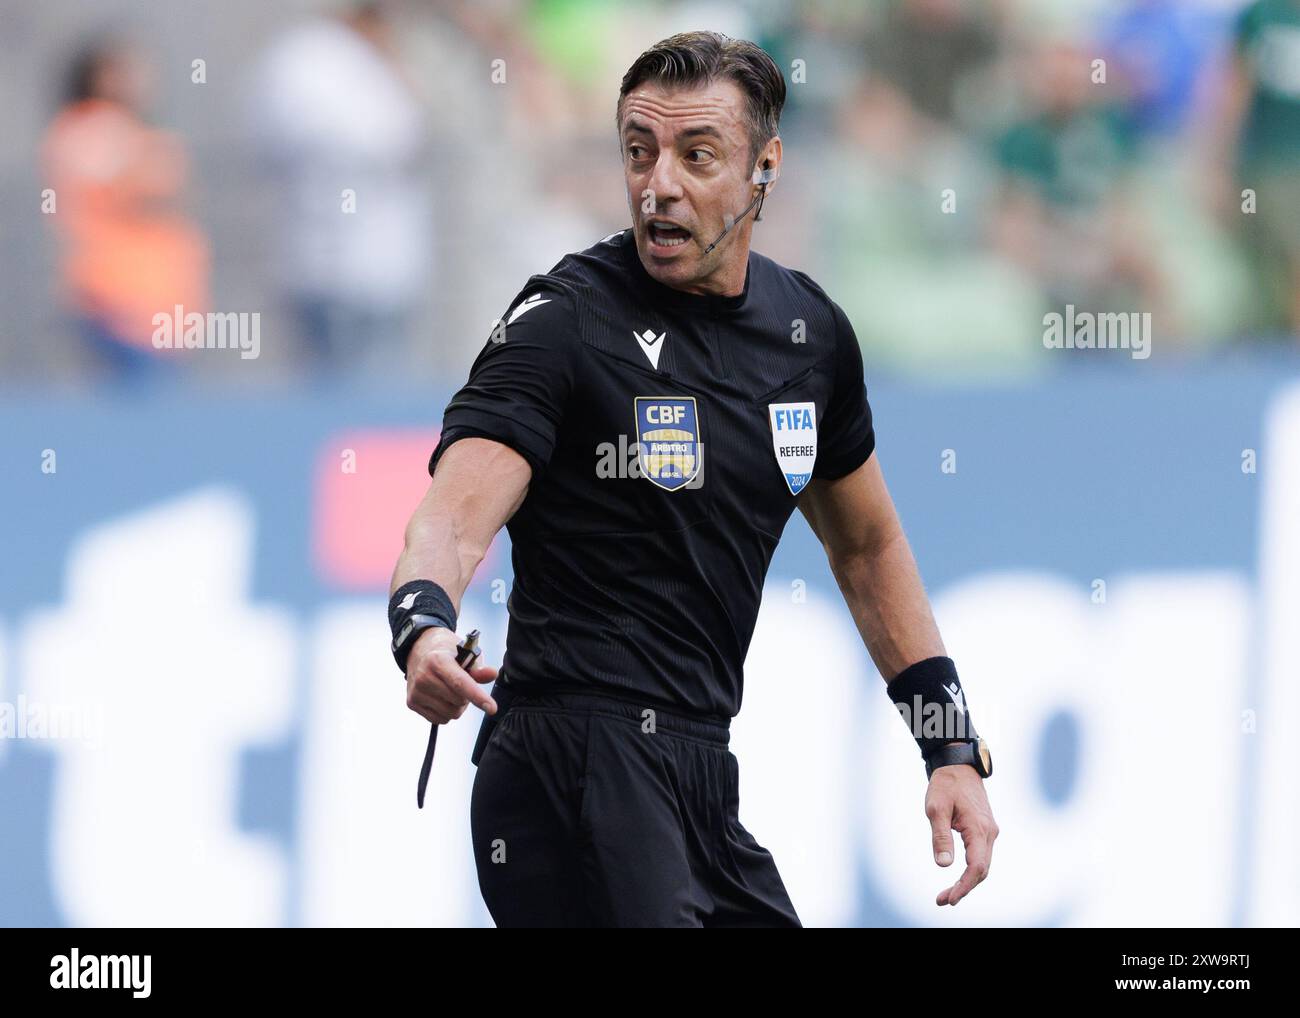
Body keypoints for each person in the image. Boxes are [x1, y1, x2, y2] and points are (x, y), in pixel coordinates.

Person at [389, 31, 998, 927]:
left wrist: (947, 745)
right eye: (640, 151)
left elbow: (867, 547)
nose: (658, 183)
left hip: (699, 774)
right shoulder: (563, 320)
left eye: (697, 154)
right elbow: (453, 518)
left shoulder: (808, 337)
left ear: (765, 168)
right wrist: (423, 627)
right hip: (568, 762)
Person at [42, 39, 209, 380]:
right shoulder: (88, 129)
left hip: (162, 305)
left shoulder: (131, 131)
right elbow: (147, 189)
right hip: (119, 301)